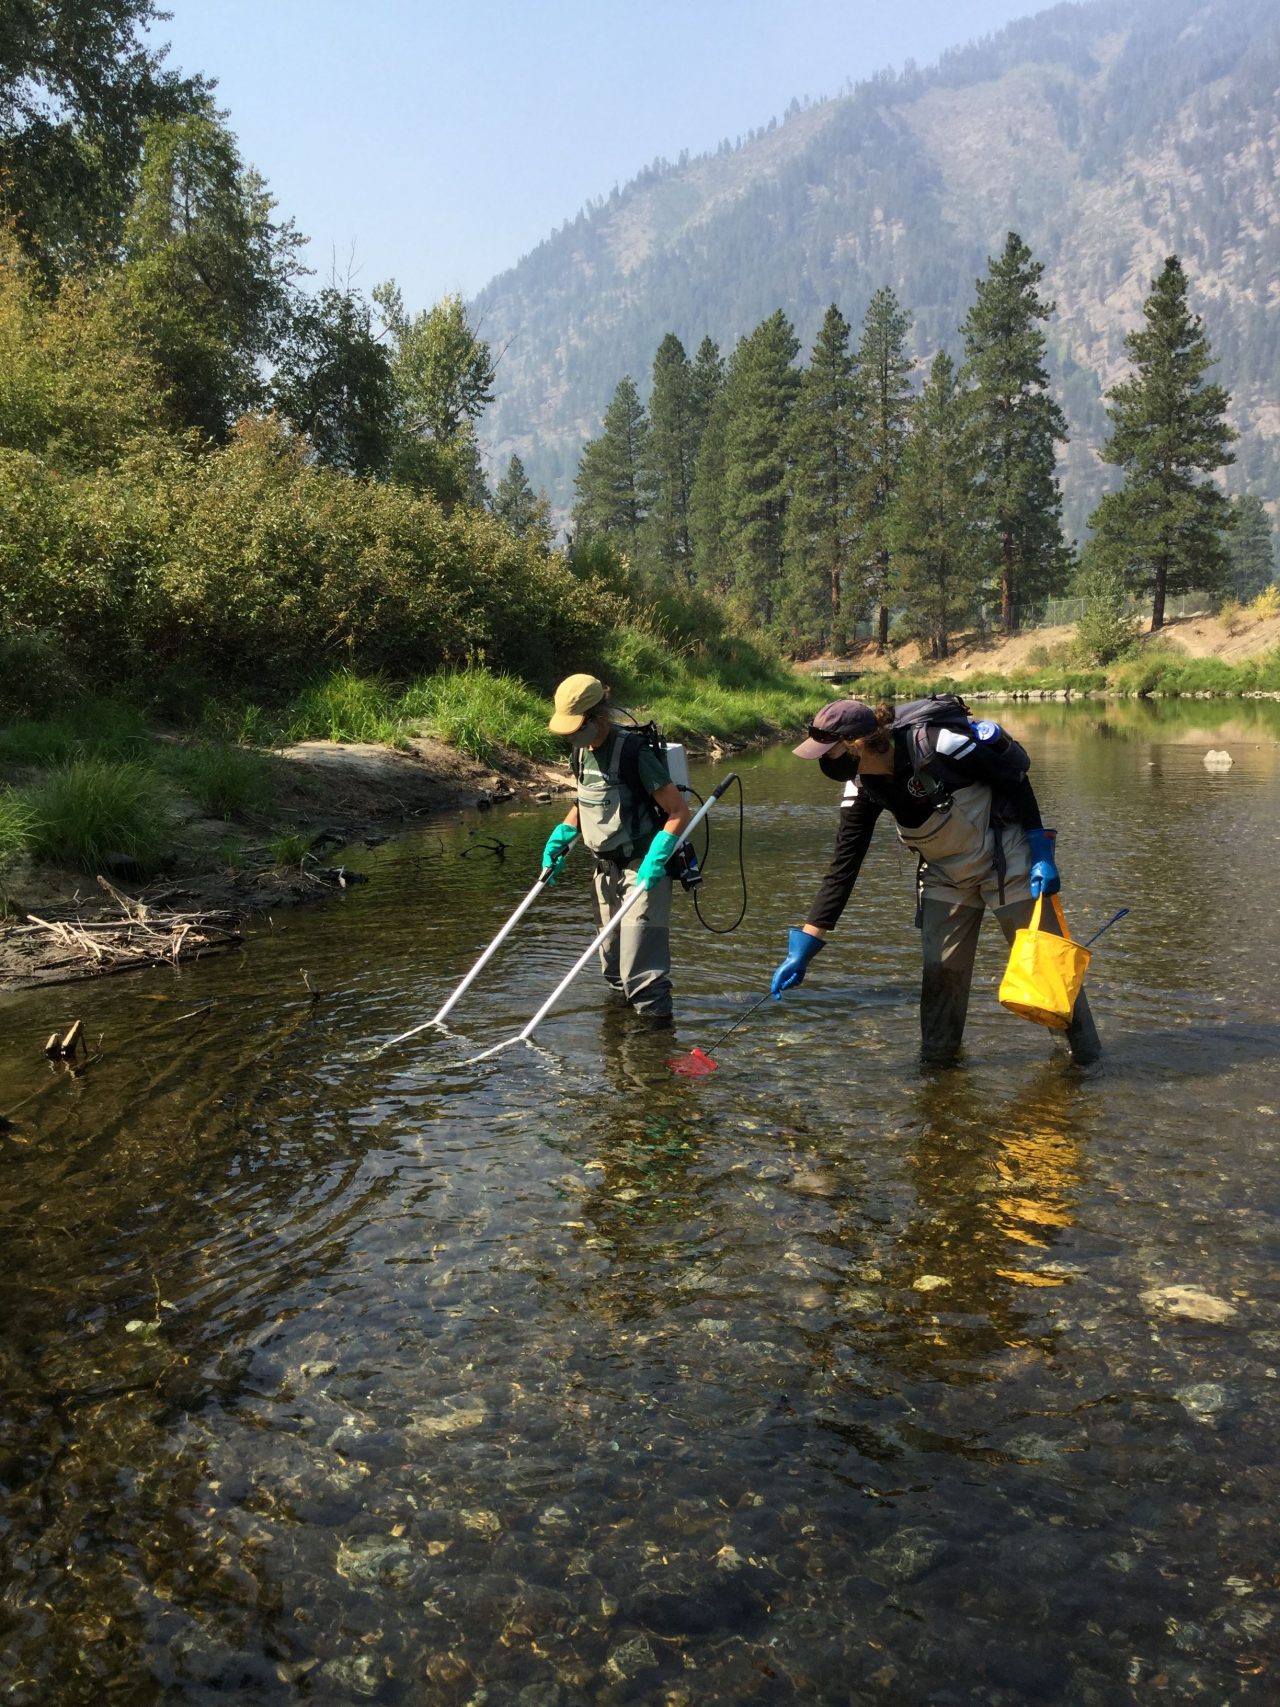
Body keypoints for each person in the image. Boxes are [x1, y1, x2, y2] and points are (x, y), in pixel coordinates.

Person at [771, 697, 1102, 1065]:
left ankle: (1083, 1061)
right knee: (941, 974)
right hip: (945, 872)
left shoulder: (938, 743)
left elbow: (1015, 780)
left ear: (858, 743)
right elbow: (843, 866)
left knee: (1047, 965)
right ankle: (939, 1067)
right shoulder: (861, 787)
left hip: (1007, 858)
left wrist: (1040, 851)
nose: (822, 762)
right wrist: (807, 943)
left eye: (828, 753)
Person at [542, 673, 691, 1025]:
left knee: (642, 971)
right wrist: (562, 834)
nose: (572, 736)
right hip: (604, 869)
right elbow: (584, 802)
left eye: (577, 727)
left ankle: (653, 1053)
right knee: (612, 966)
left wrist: (659, 856)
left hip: (642, 866)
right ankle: (623, 1037)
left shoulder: (633, 753)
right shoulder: (580, 752)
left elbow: (678, 811)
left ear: (598, 718)